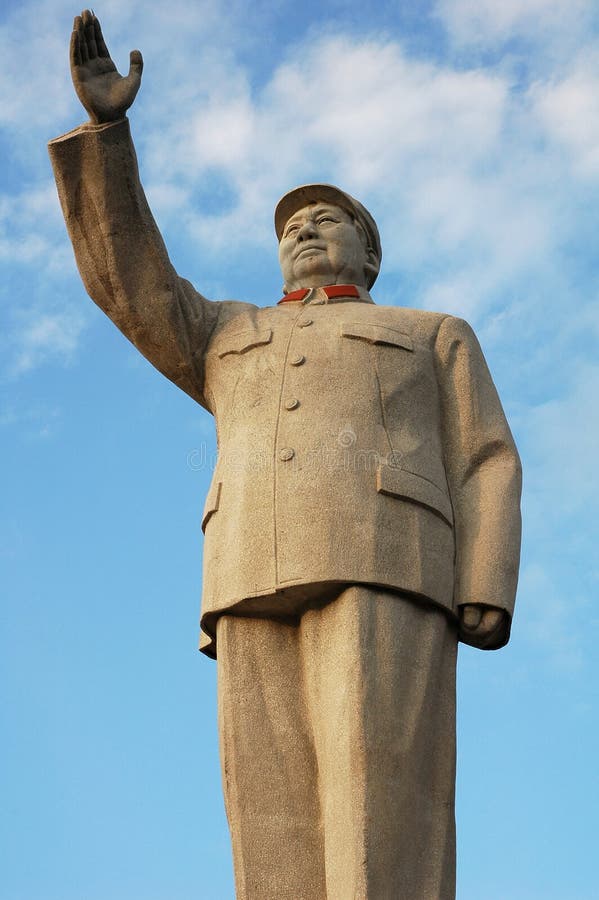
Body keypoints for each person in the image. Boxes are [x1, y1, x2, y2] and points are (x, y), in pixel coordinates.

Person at [49, 11, 522, 899]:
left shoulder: (429, 332)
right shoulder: (227, 330)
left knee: (383, 803)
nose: (304, 228)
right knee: (266, 830)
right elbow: (129, 280)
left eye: (327, 218)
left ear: (368, 250)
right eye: (291, 223)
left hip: (386, 558)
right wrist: (107, 136)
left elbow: (488, 457)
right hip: (245, 569)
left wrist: (483, 580)